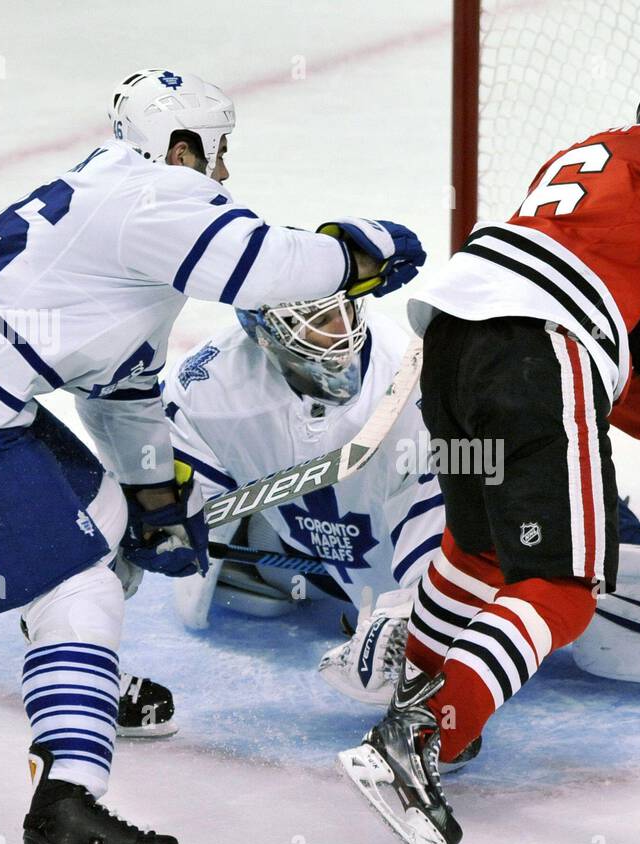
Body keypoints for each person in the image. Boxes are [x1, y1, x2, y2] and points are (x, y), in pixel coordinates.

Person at [0, 67, 425, 844]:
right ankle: (67, 816)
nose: (223, 175)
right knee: (77, 586)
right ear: (180, 145)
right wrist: (359, 252)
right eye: (216, 155)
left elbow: (120, 390)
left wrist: (155, 503)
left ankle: (86, 685)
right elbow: (264, 265)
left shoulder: (111, 215)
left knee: (103, 515)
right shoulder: (156, 192)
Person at [338, 71, 640, 844]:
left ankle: (416, 694)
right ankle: (419, 740)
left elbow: (592, 387)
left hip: (453, 349)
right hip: (535, 347)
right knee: (561, 588)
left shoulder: (596, 181)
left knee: (478, 552)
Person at [163, 292, 445, 705]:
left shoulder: (417, 385)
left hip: (403, 559)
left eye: (341, 309)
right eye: (316, 317)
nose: (341, 329)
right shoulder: (207, 382)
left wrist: (412, 613)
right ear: (264, 329)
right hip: (302, 557)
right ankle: (254, 569)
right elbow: (179, 504)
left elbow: (453, 525)